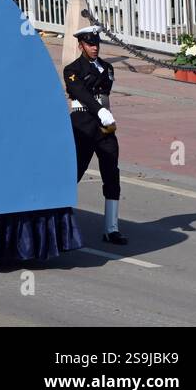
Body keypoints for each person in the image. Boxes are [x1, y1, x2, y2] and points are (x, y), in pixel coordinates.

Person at [64, 26, 126, 245]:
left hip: (105, 125)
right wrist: (99, 109)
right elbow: (81, 92)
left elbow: (103, 90)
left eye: (96, 44)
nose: (94, 48)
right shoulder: (72, 69)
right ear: (80, 45)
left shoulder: (107, 68)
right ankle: (59, 222)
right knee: (74, 172)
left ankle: (111, 228)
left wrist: (103, 113)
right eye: (90, 44)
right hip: (82, 123)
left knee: (111, 171)